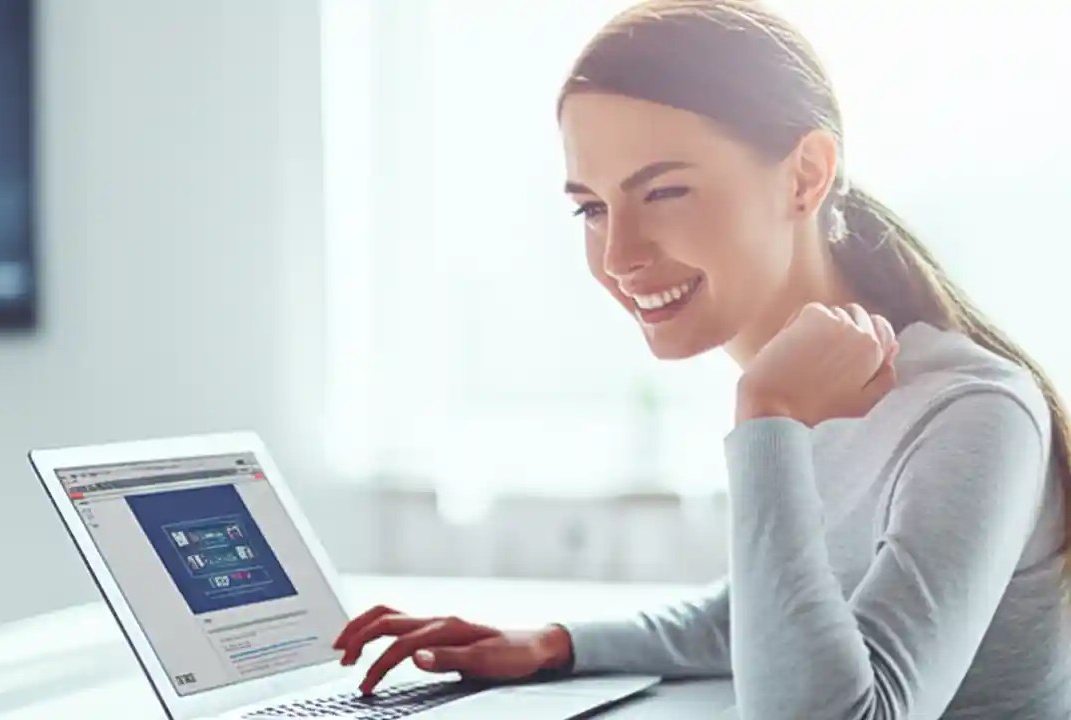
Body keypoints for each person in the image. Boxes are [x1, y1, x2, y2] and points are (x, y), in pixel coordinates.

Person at [331, 1, 1071, 717]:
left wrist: (768, 417)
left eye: (666, 191)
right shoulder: (824, 385)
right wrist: (556, 644)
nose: (619, 256)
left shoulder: (973, 413)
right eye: (591, 208)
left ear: (805, 175)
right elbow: (760, 619)